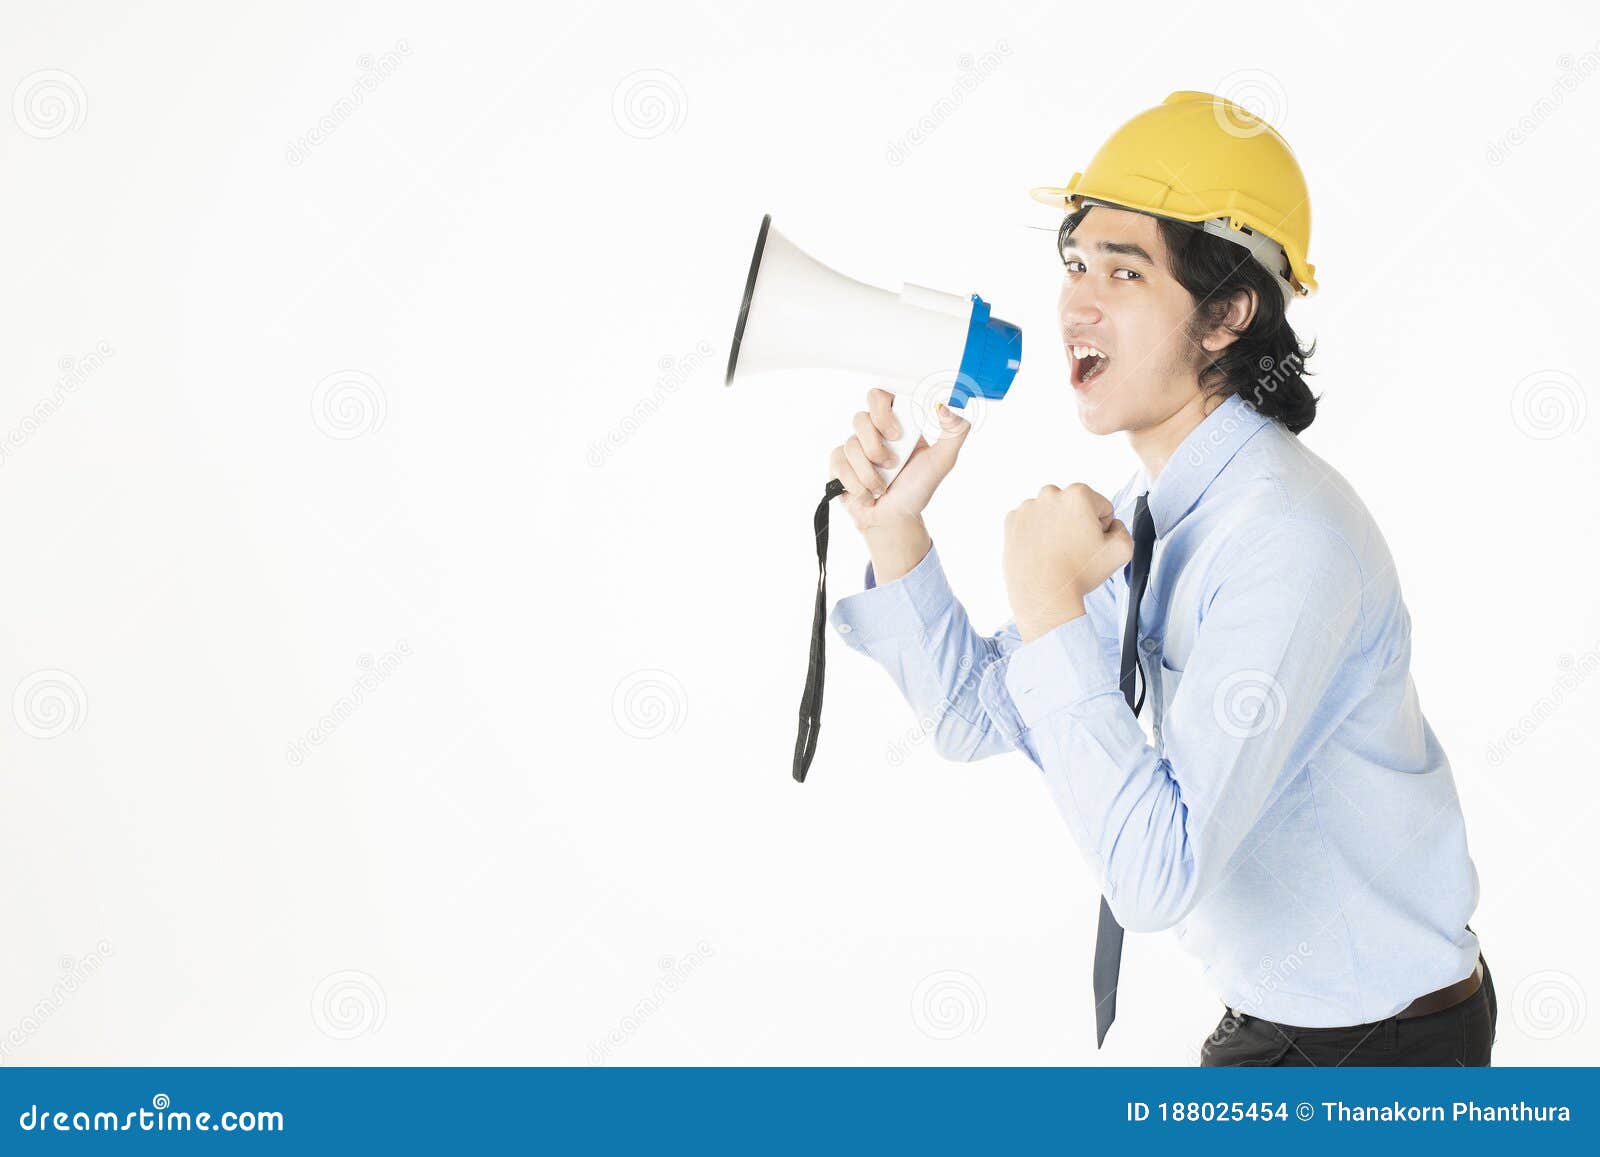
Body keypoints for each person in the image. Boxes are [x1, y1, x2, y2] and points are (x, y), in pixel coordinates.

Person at [824, 91, 1492, 1065]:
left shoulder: (1282, 540)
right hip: (1277, 1025)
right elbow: (973, 714)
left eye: (1124, 270)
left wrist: (1051, 605)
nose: (1075, 302)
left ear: (1226, 313)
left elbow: (1154, 878)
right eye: (1075, 264)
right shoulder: (1149, 507)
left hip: (1382, 1050)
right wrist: (895, 532)